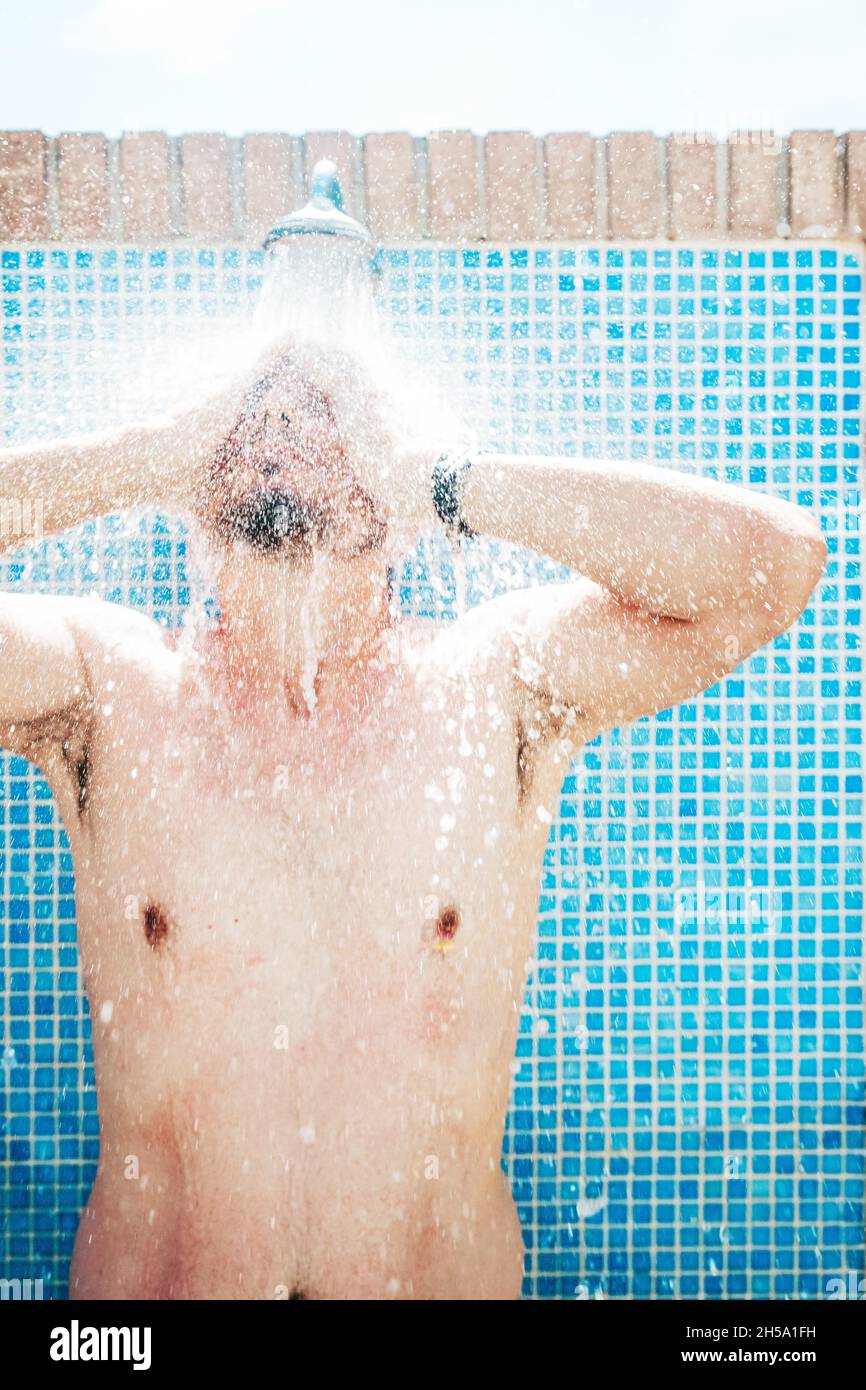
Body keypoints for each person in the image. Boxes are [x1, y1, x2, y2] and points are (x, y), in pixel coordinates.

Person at [0, 337, 826, 1300]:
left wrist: (442, 481)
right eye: (257, 415)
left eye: (329, 418)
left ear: (401, 512)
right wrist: (148, 458)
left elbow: (774, 564)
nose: (285, 431)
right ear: (200, 486)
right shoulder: (106, 686)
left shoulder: (496, 682)